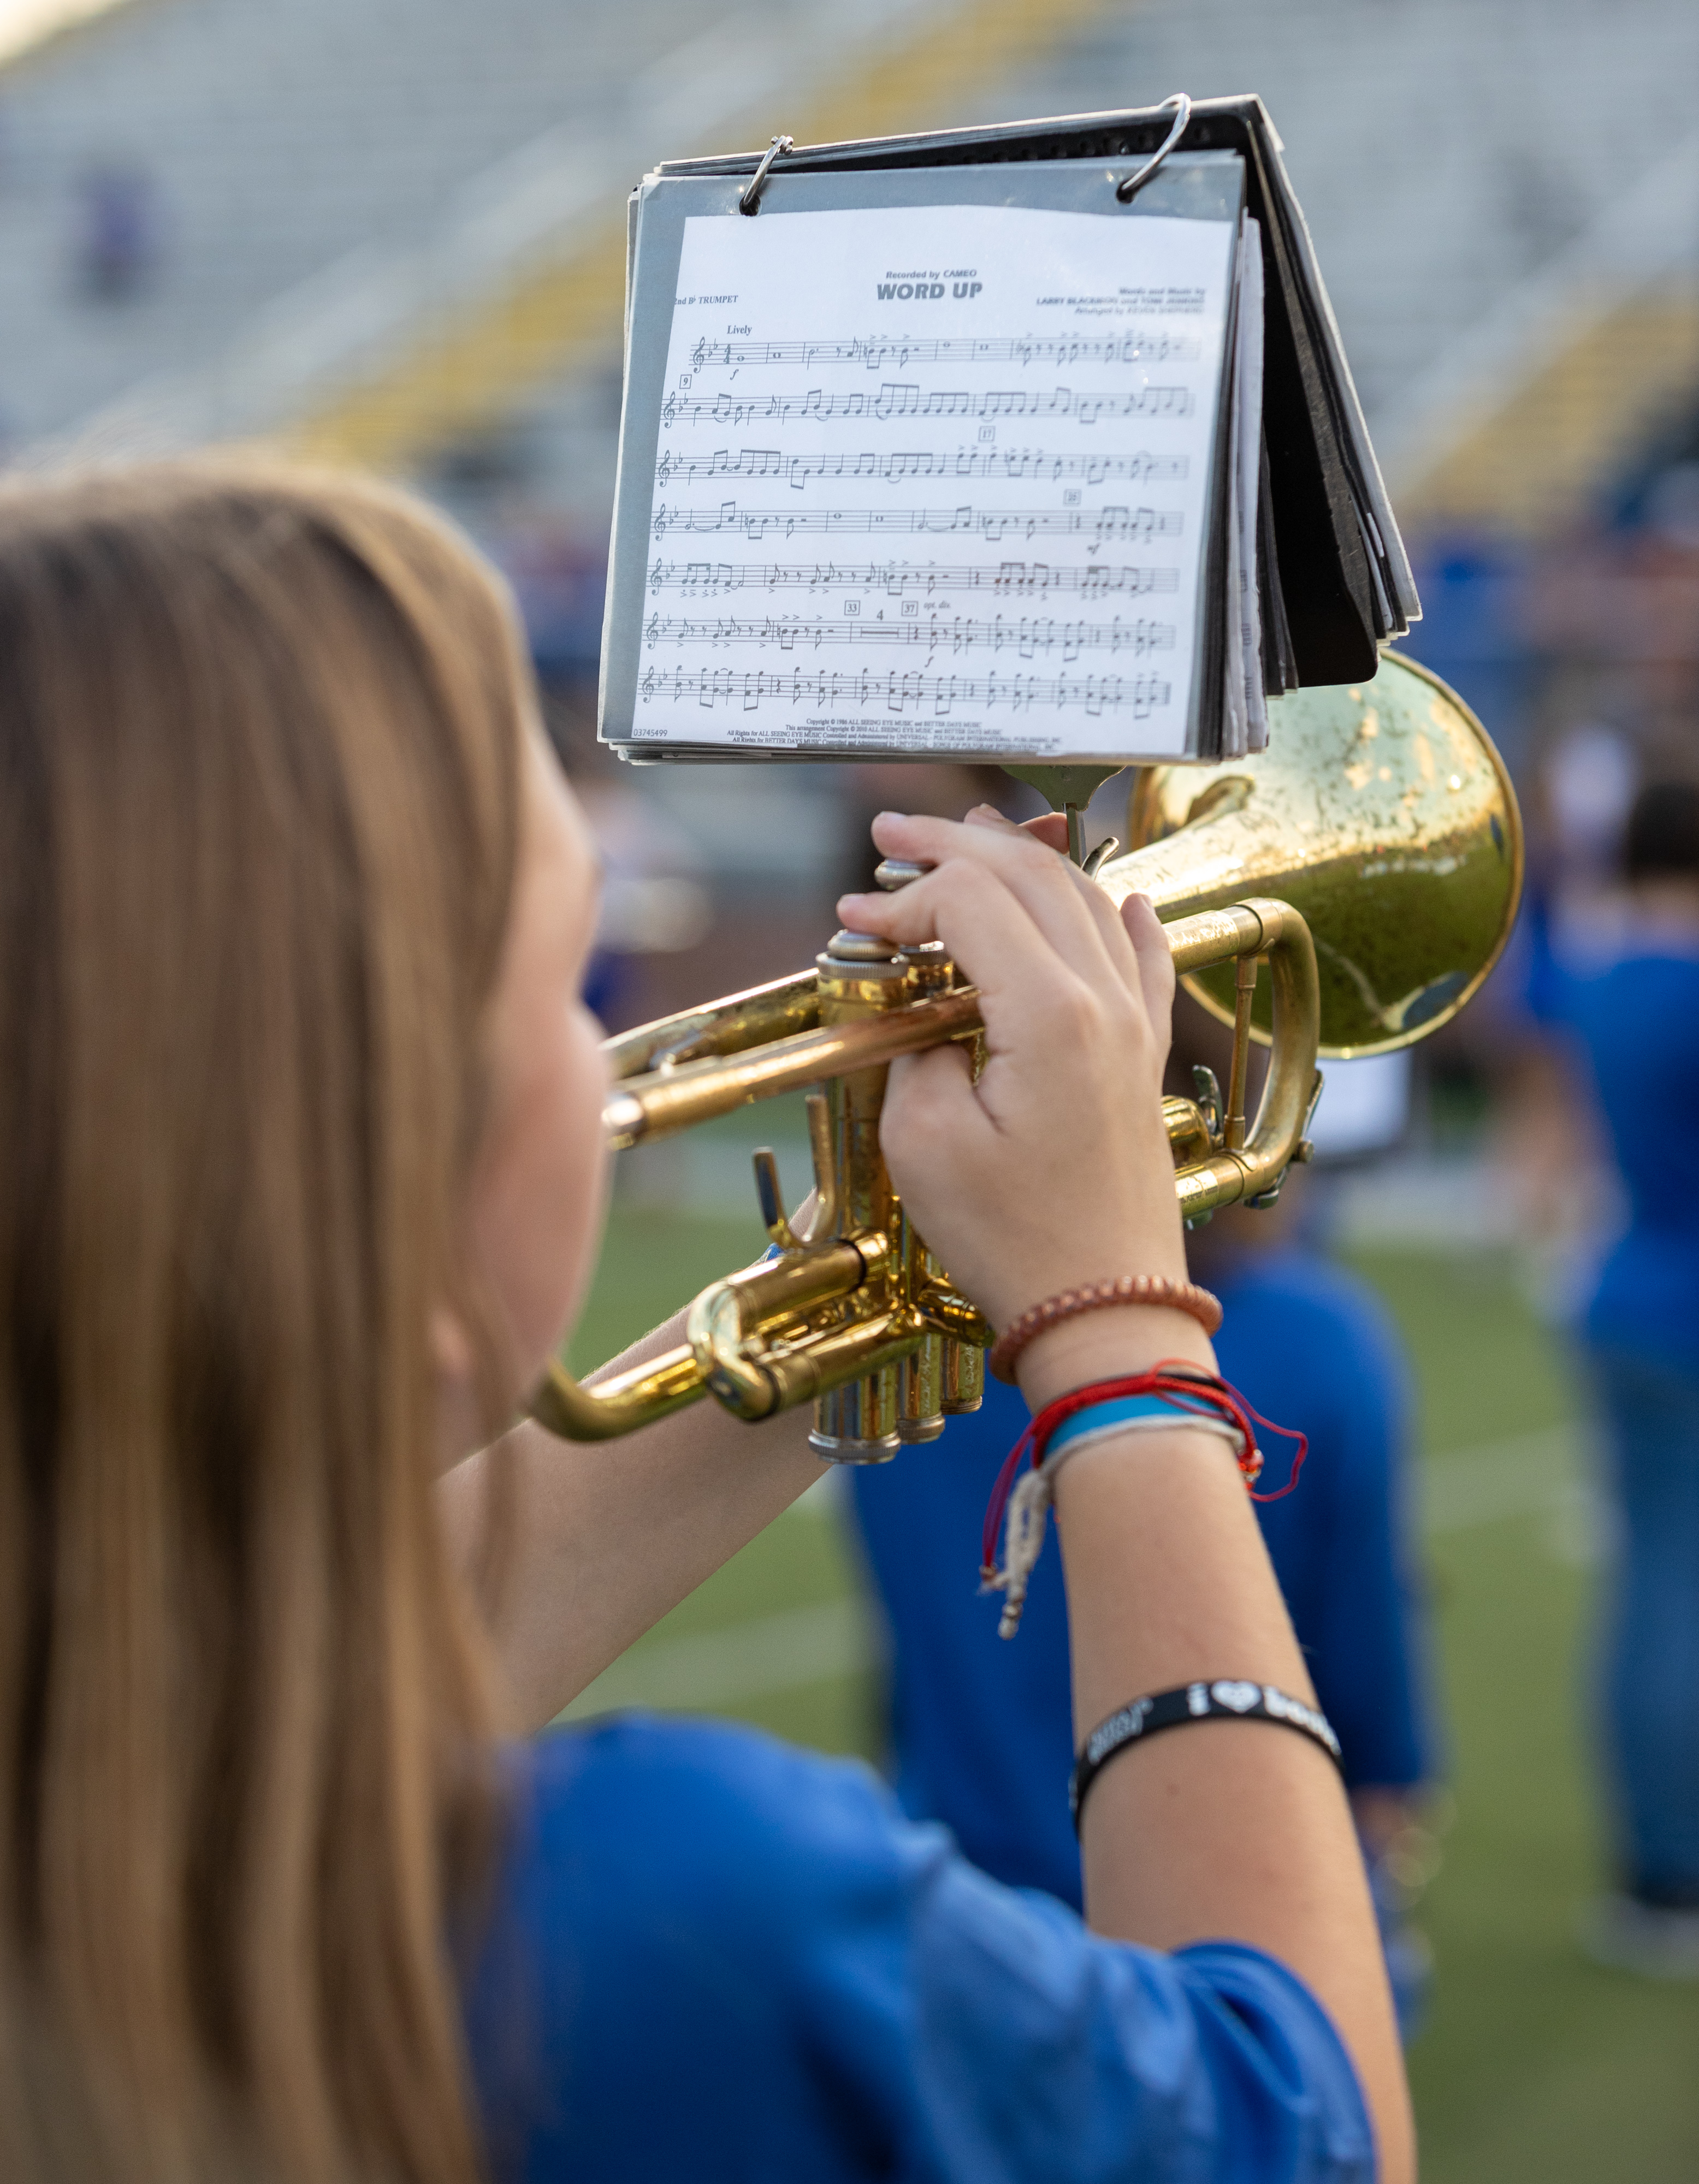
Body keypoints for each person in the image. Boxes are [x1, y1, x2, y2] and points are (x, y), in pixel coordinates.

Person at [0, 459, 1411, 2183]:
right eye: (562, 969)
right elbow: (1304, 2122)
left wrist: (889, 1271)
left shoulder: (96, 1713)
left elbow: (302, 1697)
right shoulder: (671, 1899)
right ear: (382, 1171)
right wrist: (1119, 1329)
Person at [848, 1018, 1440, 2036]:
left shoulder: (890, 1347)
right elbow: (1368, 1680)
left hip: (959, 1935)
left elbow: (909, 1669)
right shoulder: (1322, 1340)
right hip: (1227, 1953)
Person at [1528, 780, 1699, 1976]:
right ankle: (1669, 1873)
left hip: (1616, 1287)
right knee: (1669, 1593)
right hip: (1677, 1302)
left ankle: (1656, 1867)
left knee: (1651, 1583)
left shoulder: (1600, 974)